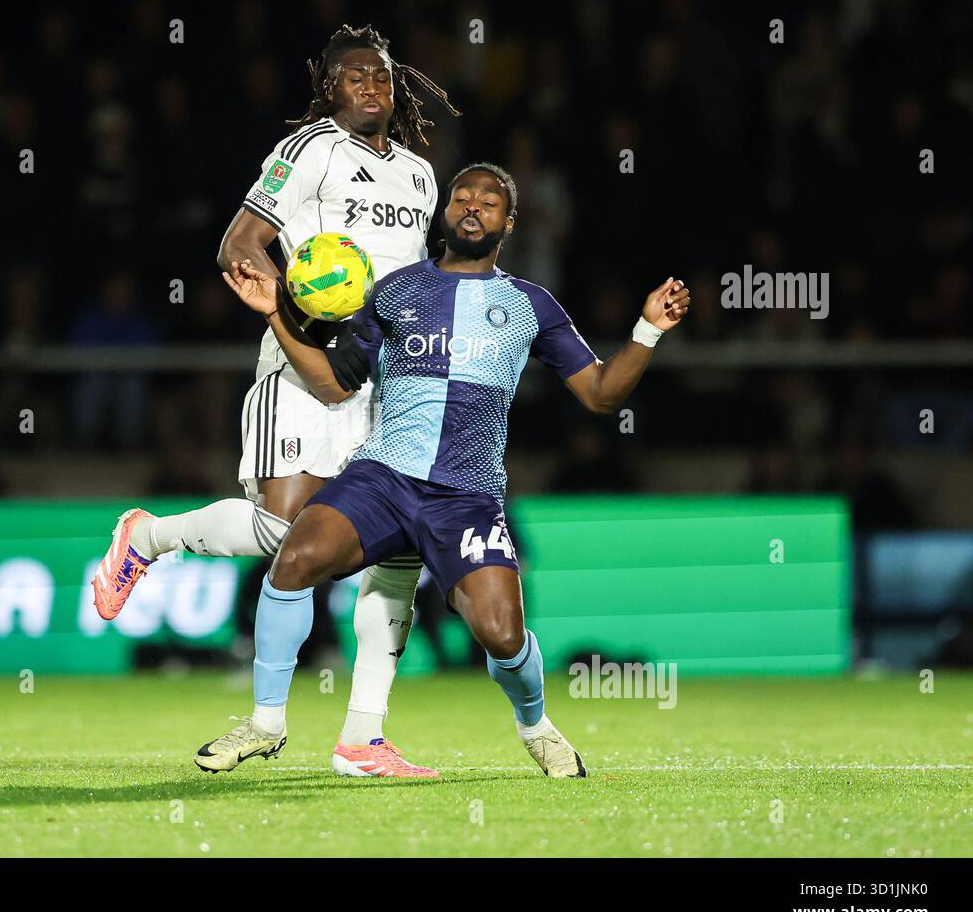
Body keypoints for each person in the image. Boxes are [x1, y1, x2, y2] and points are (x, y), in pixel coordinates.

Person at [219, 163, 691, 777]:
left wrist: (647, 329)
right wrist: (275, 314)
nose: (472, 207)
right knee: (296, 558)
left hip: (465, 497)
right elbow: (335, 384)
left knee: (501, 635)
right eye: (462, 197)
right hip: (384, 477)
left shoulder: (529, 304)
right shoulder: (391, 291)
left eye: (489, 202)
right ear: (445, 214)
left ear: (508, 223)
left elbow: (600, 394)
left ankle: (535, 726)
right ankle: (265, 724)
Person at [92, 26, 461, 777]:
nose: (370, 85)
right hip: (302, 363)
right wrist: (302, 310)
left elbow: (418, 285)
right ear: (328, 90)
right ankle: (150, 539)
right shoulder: (308, 150)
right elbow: (239, 245)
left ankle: (364, 737)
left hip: (388, 377)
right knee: (286, 531)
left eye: (381, 75)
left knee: (395, 547)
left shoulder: (422, 176)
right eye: (353, 76)